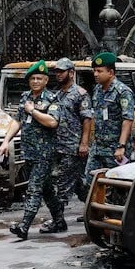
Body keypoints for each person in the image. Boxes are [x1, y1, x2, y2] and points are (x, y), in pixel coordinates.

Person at [0, 60, 65, 240]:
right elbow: (17, 121)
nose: (35, 81)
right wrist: (6, 141)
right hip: (28, 152)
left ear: (45, 81)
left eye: (39, 78)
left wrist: (33, 111)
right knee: (46, 189)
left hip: (45, 153)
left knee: (34, 189)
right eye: (32, 78)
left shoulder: (52, 99)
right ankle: (59, 220)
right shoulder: (25, 97)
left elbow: (52, 122)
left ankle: (24, 226)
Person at [48, 57, 91, 223]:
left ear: (71, 73)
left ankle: (57, 220)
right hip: (58, 146)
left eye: (62, 71)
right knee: (79, 183)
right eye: (57, 71)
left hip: (73, 147)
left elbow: (87, 120)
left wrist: (84, 143)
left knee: (62, 183)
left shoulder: (80, 94)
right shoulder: (57, 95)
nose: (58, 74)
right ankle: (94, 208)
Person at [83, 52, 134, 190]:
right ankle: (99, 211)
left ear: (111, 72)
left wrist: (121, 146)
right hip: (98, 146)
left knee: (119, 185)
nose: (95, 74)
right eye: (94, 70)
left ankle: (120, 211)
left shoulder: (122, 91)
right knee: (90, 181)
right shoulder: (98, 89)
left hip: (115, 148)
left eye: (99, 71)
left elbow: (127, 119)